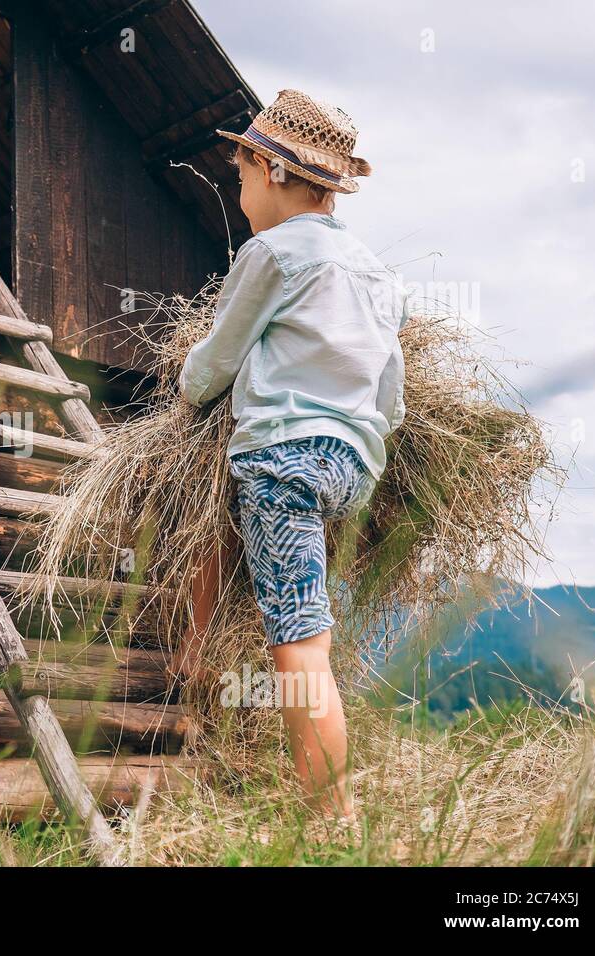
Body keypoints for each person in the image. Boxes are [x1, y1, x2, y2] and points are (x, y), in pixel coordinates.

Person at [179, 89, 408, 820]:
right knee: (283, 606)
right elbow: (393, 399)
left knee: (300, 652)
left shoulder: (271, 253)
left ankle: (333, 822)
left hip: (282, 463)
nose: (239, 188)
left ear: (273, 170)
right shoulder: (377, 274)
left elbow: (216, 361)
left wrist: (185, 386)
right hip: (350, 467)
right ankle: (199, 687)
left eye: (242, 171)